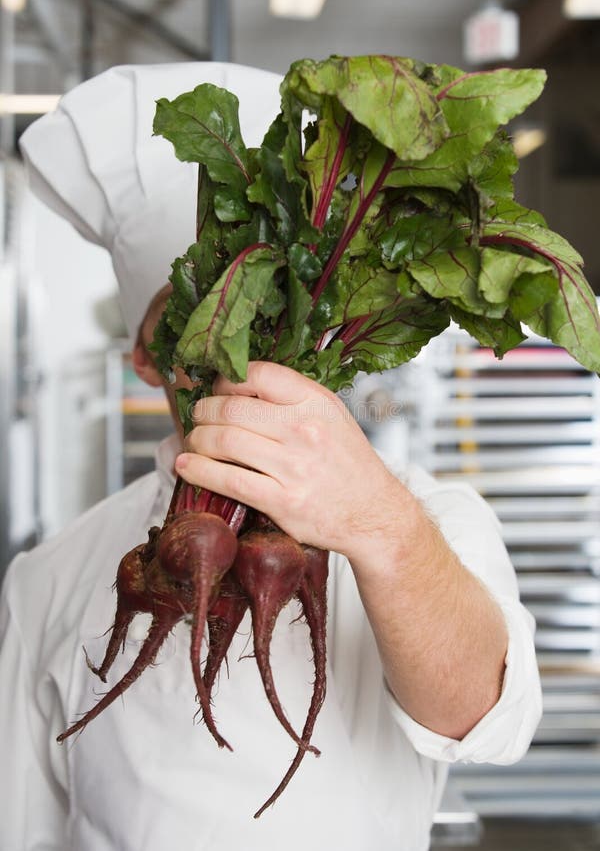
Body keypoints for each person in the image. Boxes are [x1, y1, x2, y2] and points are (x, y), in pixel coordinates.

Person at [0, 61, 542, 851]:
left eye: (263, 311)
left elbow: (487, 724)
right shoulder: (49, 577)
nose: (235, 345)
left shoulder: (429, 520)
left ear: (319, 336)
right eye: (196, 318)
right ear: (146, 356)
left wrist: (379, 527)